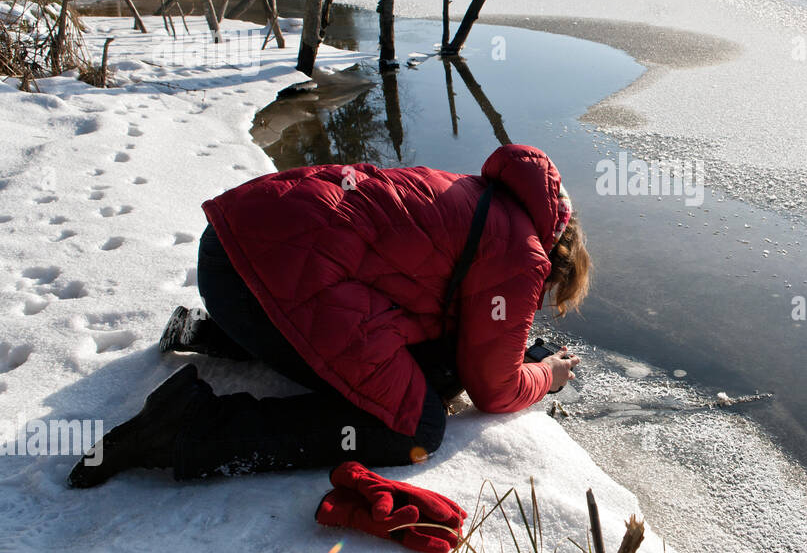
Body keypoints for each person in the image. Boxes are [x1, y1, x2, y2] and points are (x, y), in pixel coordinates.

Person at [68, 144, 590, 487]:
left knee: (387, 346)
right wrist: (546, 374)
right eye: (550, 296)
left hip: (228, 255)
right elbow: (493, 392)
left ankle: (211, 332)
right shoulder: (524, 256)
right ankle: (189, 429)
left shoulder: (473, 197)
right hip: (261, 286)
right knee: (414, 428)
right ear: (558, 262)